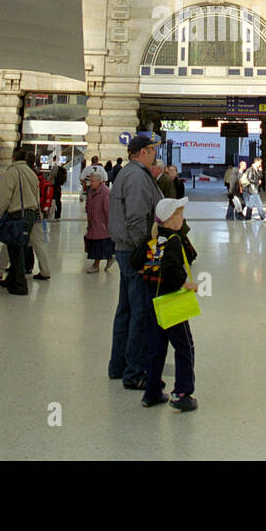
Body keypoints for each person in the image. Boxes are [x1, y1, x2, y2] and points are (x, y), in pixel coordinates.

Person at [107, 134, 162, 389]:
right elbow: (137, 218)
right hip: (134, 251)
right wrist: (146, 250)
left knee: (126, 310)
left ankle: (118, 366)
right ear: (143, 152)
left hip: (124, 249)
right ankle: (134, 373)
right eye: (152, 150)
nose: (154, 155)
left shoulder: (126, 173)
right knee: (140, 313)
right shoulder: (138, 176)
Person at [140, 197, 198, 411]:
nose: (183, 218)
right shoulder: (174, 240)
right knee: (184, 345)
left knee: (155, 347)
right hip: (171, 300)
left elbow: (138, 261)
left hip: (152, 299)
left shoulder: (153, 239)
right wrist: (186, 284)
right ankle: (182, 392)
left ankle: (152, 391)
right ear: (171, 219)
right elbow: (173, 269)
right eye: (180, 214)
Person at [0, 152, 52, 282]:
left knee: (11, 242)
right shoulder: (33, 175)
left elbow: (4, 195)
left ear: (13, 158)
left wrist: (1, 212)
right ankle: (45, 270)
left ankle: (6, 273)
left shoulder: (13, 172)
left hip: (19, 213)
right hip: (35, 213)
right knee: (38, 243)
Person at [84, 170, 113, 272]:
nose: (90, 183)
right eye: (90, 181)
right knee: (97, 244)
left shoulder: (105, 193)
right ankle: (109, 258)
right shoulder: (91, 191)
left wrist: (108, 225)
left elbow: (108, 210)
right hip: (93, 222)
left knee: (98, 244)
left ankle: (96, 265)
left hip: (101, 224)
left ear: (99, 181)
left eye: (92, 181)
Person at [243, 157, 266, 222]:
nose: (260, 164)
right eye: (260, 163)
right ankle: (263, 217)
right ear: (256, 162)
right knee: (259, 203)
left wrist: (260, 171)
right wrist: (257, 182)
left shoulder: (256, 169)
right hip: (252, 189)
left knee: (250, 205)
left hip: (253, 189)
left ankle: (247, 217)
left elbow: (260, 177)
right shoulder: (250, 170)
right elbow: (250, 179)